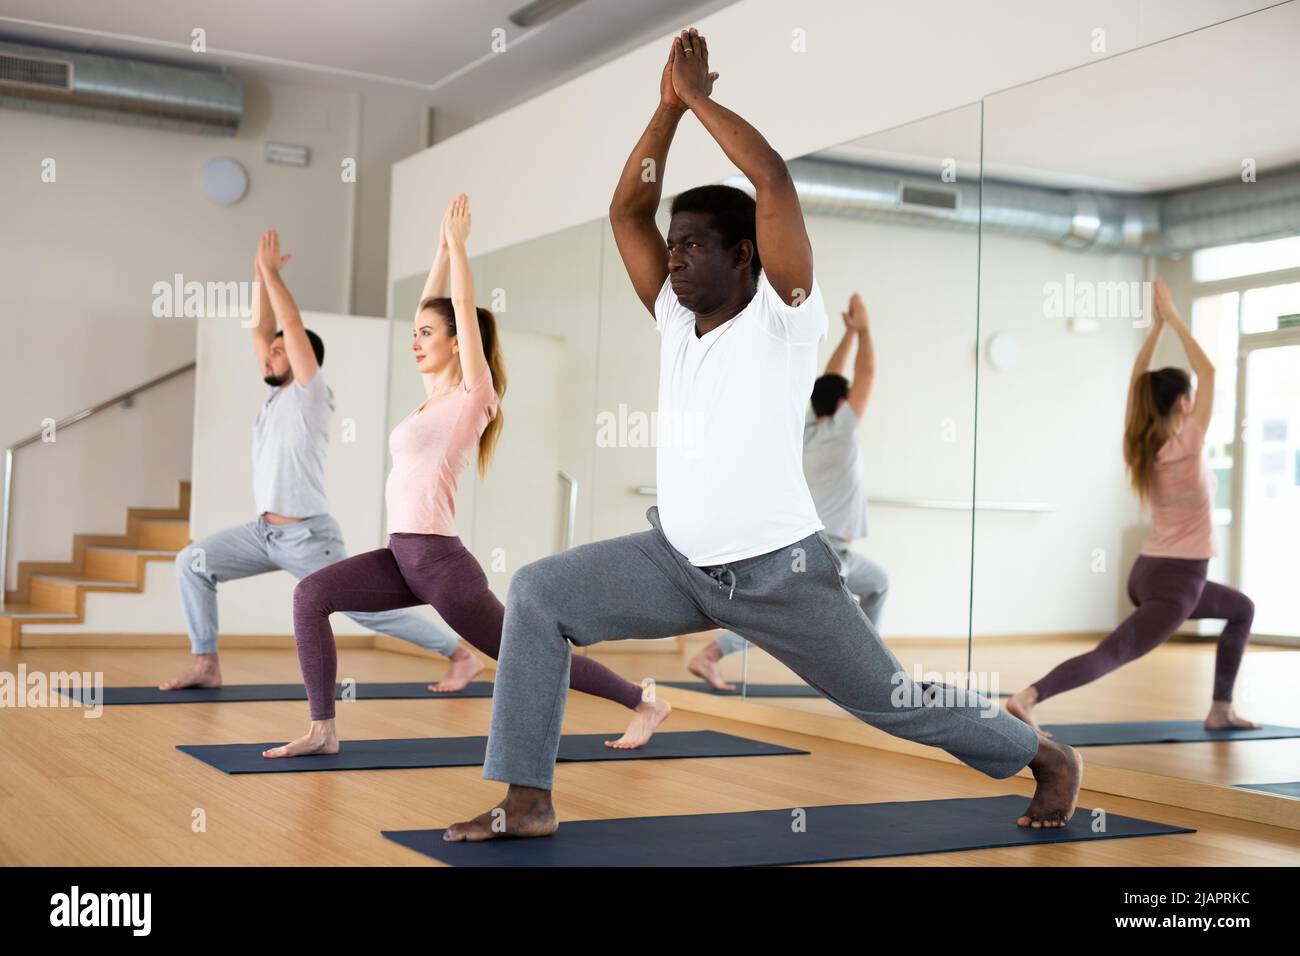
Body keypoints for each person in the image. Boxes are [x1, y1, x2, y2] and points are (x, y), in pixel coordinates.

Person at [444, 29, 1081, 842]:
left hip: (780, 572)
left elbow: (772, 179)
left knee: (893, 704)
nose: (673, 261)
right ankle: (527, 799)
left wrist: (700, 98)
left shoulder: (783, 319)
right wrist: (664, 110)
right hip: (673, 558)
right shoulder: (677, 321)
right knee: (537, 592)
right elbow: (626, 209)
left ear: (745, 255)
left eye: (695, 246)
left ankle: (1040, 753)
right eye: (672, 249)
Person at [263, 195, 670, 759]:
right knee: (311, 595)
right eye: (416, 334)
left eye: (427, 334)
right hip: (402, 557)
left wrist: (458, 250)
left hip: (440, 565)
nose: (415, 341)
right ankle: (323, 728)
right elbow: (436, 306)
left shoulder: (475, 396)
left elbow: (460, 302)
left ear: (459, 341)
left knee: (527, 650)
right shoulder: (430, 401)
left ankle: (643, 702)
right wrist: (439, 250)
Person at [162, 229, 472, 692]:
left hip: (307, 537)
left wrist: (272, 275)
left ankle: (460, 655)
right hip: (262, 532)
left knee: (360, 610)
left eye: (279, 350)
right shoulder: (275, 396)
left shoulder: (310, 395)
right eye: (268, 352)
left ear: (303, 358)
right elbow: (260, 327)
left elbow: (287, 323)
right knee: (193, 561)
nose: (267, 354)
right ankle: (206, 663)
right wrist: (258, 270)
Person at [1007, 278, 1257, 735]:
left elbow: (1134, 384)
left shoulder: (1141, 442)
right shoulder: (1186, 443)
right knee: (1113, 653)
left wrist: (1156, 329)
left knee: (1241, 608)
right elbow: (1213, 374)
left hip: (1152, 573)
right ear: (1184, 403)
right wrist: (1175, 318)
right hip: (1176, 581)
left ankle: (1220, 708)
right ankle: (1028, 697)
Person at [690, 292, 888, 690]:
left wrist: (848, 336)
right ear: (844, 405)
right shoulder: (841, 433)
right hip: (829, 547)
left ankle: (875, 669)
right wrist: (865, 332)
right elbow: (865, 377)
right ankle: (876, 676)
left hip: (824, 545)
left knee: (877, 584)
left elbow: (830, 383)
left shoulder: (806, 426)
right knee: (795, 616)